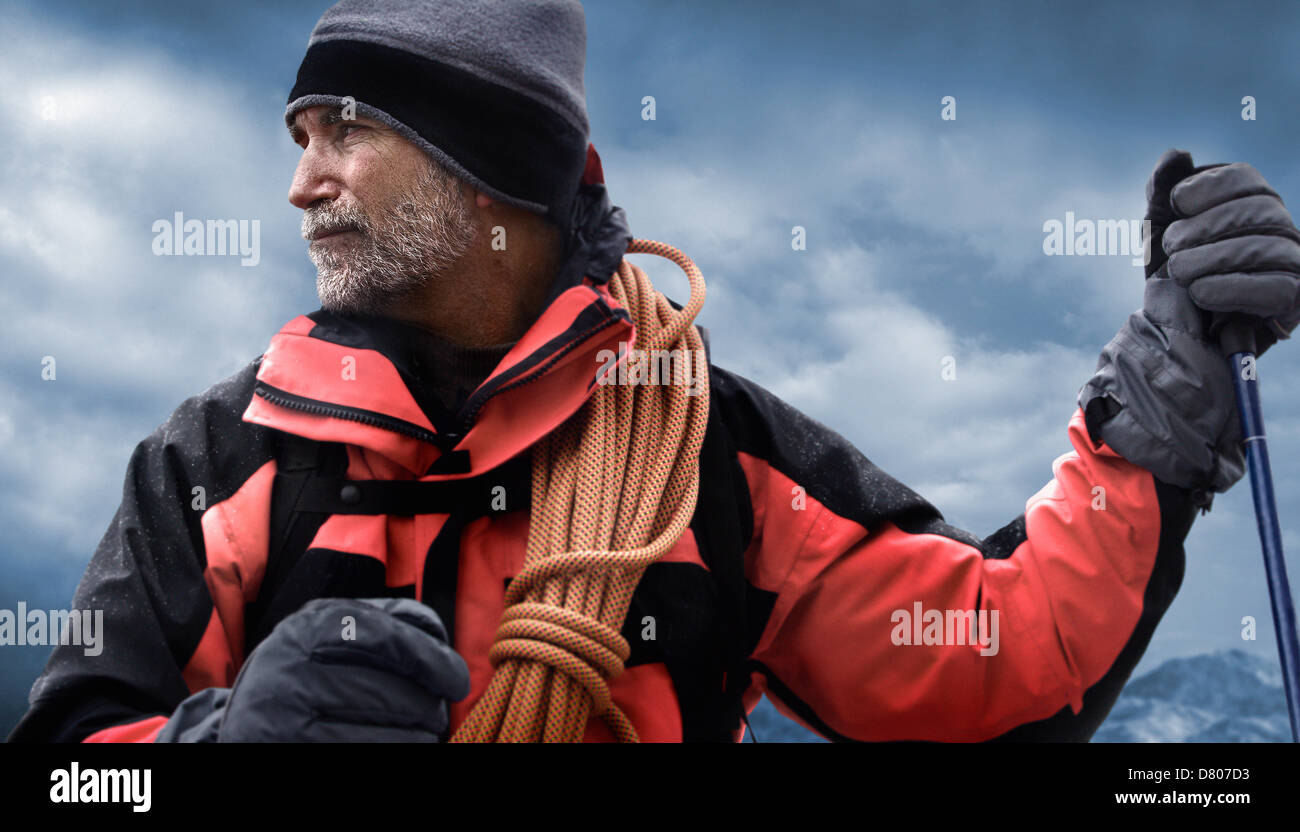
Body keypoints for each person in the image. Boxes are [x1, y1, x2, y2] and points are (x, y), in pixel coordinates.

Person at [10, 0, 1300, 743]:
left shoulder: (708, 459)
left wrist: (1163, 393)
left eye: (345, 129)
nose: (300, 181)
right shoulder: (215, 463)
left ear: (486, 164)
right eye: (297, 134)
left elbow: (1004, 662)